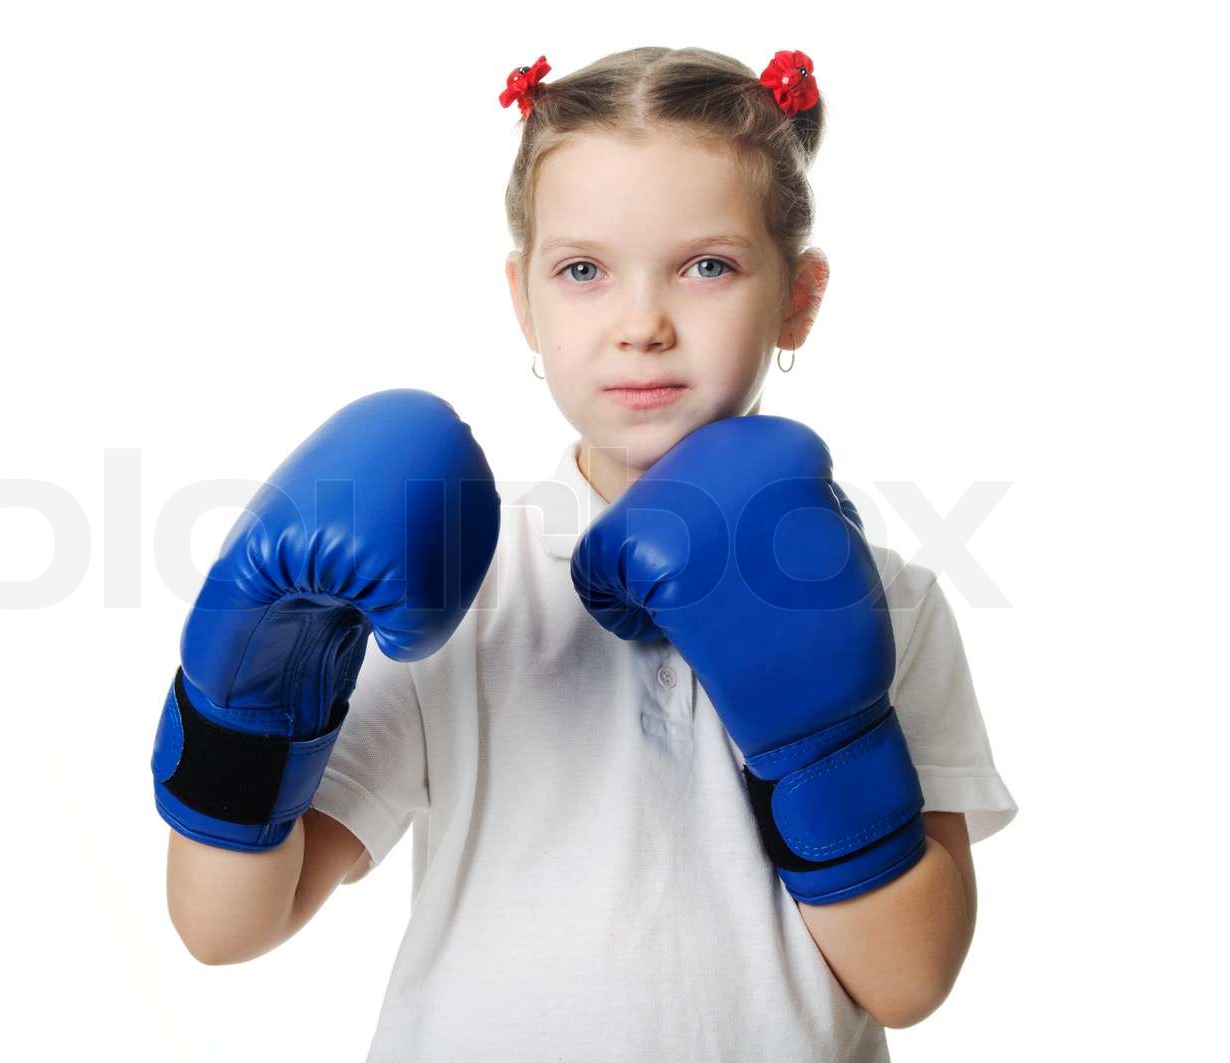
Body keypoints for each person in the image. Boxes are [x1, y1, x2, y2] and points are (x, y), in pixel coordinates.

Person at [159, 45, 1017, 1062]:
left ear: (799, 295)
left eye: (707, 266)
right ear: (523, 298)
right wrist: (259, 681)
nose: (642, 325)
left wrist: (820, 732)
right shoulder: (458, 582)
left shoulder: (885, 599)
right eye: (583, 271)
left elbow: (907, 977)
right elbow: (226, 926)